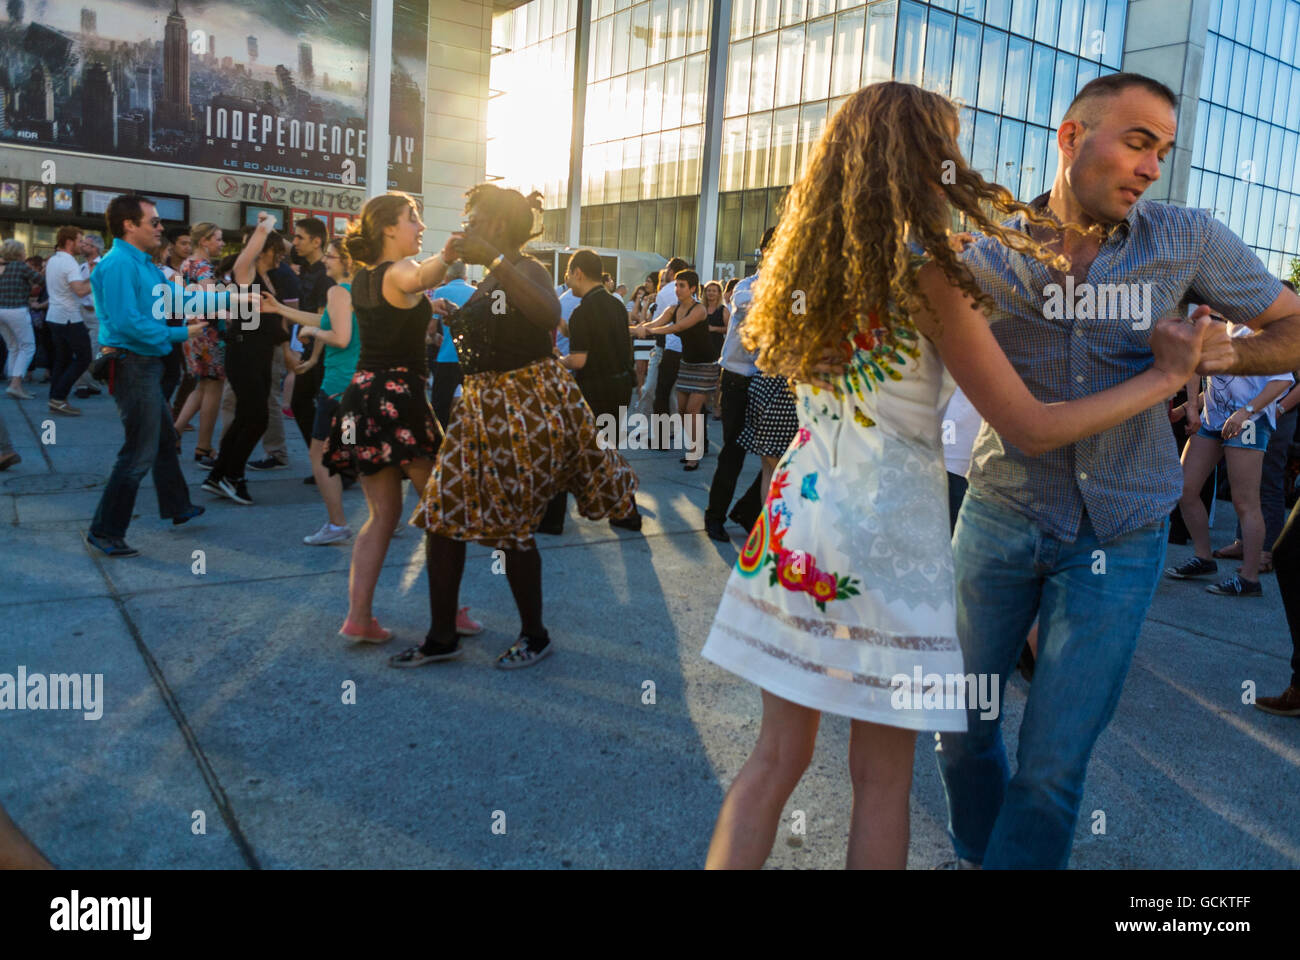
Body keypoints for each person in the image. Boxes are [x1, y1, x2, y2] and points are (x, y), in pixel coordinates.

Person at [699, 80, 1213, 871]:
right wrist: (1161, 379)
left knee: (773, 761)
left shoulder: (811, 265)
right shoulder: (936, 274)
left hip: (795, 523)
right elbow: (1029, 426)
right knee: (881, 779)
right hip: (887, 538)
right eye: (951, 145)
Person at [935, 72, 1300, 870]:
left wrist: (1220, 352)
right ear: (1071, 137)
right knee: (961, 734)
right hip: (999, 512)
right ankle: (978, 852)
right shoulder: (986, 243)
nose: (1151, 167)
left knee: (1053, 767)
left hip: (1125, 531)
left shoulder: (1187, 238)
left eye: (1162, 151)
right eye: (1138, 141)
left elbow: (1294, 323)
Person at [398, 184, 639, 670]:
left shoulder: (522, 268)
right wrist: (445, 313)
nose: (468, 222)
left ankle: (535, 634)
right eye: (468, 214)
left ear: (500, 224)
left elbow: (548, 315)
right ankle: (442, 635)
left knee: (512, 526)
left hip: (526, 405)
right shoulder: (488, 277)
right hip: (481, 409)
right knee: (442, 517)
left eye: (477, 216)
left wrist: (495, 262)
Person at [322, 192, 480, 642]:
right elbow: (421, 274)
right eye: (414, 219)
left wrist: (434, 310)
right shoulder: (402, 270)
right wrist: (447, 257)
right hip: (400, 399)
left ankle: (359, 617)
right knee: (444, 510)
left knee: (382, 514)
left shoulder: (365, 279)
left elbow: (401, 307)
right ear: (389, 228)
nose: (421, 227)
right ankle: (448, 613)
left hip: (362, 396)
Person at [86, 195, 208, 557]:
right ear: (129, 225)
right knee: (139, 451)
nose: (160, 228)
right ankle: (105, 530)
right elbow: (129, 324)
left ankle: (177, 506)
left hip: (145, 364)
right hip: (132, 364)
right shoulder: (119, 264)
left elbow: (179, 301)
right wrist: (182, 334)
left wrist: (240, 301)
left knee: (162, 438)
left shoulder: (143, 264)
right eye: (153, 222)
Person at [1165, 314, 1293, 596]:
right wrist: (1189, 406)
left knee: (1244, 502)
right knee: (1185, 489)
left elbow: (1283, 380)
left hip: (1249, 424)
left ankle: (1249, 579)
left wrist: (1246, 412)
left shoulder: (1260, 334)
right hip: (1213, 422)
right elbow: (1214, 384)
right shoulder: (1216, 331)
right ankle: (1203, 557)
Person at [262, 238, 359, 545]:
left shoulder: (338, 291)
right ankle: (389, 517)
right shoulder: (359, 292)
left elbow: (338, 336)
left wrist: (313, 333)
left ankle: (336, 523)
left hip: (337, 387)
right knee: (360, 453)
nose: (326, 261)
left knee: (319, 455)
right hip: (355, 386)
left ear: (347, 261)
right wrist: (280, 309)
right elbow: (328, 320)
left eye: (331, 256)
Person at [541, 248, 641, 534]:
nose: (566, 280)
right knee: (602, 451)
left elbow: (580, 359)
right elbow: (595, 338)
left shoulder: (585, 309)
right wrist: (561, 325)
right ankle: (556, 518)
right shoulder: (615, 305)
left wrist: (554, 360)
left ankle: (626, 512)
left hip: (596, 389)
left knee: (587, 452)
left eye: (568, 274)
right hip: (620, 386)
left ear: (578, 273)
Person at [200, 216, 296, 506]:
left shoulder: (270, 276)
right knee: (257, 417)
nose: (282, 255)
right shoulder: (246, 272)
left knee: (247, 416)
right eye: (275, 250)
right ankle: (232, 475)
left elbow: (292, 250)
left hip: (262, 355)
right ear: (263, 250)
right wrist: (265, 226)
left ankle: (219, 476)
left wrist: (275, 237)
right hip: (243, 354)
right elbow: (251, 251)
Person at [703, 236, 769, 542]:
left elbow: (801, 315)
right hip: (737, 380)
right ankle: (714, 517)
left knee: (780, 456)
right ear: (765, 251)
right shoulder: (746, 285)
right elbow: (741, 304)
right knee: (734, 453)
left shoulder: (798, 288)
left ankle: (747, 509)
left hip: (773, 381)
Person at [267, 217, 334, 475]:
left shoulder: (325, 277)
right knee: (303, 404)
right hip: (314, 349)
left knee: (339, 412)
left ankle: (341, 462)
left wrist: (315, 357)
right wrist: (269, 230)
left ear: (317, 242)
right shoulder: (307, 264)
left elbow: (324, 324)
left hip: (328, 353)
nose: (294, 243)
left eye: (300, 237)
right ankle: (325, 460)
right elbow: (288, 246)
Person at [634, 269, 716, 468]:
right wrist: (634, 329)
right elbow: (654, 322)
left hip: (705, 365)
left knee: (692, 409)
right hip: (687, 363)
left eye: (682, 286)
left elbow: (677, 328)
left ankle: (694, 454)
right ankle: (692, 448)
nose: (677, 289)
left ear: (693, 289)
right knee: (681, 410)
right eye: (676, 285)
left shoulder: (699, 310)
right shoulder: (672, 308)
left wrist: (650, 331)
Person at [173, 223, 227, 467]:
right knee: (213, 389)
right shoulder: (204, 267)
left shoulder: (186, 264)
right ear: (205, 241)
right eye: (218, 239)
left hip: (192, 333)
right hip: (209, 333)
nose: (222, 243)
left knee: (201, 386)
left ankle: (175, 432)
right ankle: (203, 448)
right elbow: (210, 301)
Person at [43, 226, 93, 416]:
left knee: (62, 359)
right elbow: (80, 290)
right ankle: (58, 397)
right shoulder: (69, 262)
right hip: (69, 317)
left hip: (54, 316)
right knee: (84, 357)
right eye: (80, 241)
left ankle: (55, 399)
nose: (82, 245)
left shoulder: (53, 260)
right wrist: (97, 278)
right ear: (70, 242)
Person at [427, 258, 476, 428]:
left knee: (440, 407)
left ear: (447, 274)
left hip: (446, 356)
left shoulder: (440, 292)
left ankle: (443, 443)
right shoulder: (475, 293)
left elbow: (432, 329)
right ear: (465, 274)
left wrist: (434, 339)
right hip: (470, 357)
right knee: (473, 405)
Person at [158, 225, 193, 405]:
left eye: (190, 243)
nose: (188, 247)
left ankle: (173, 413)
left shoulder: (190, 269)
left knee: (184, 373)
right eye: (183, 243)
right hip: (170, 327)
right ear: (171, 246)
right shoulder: (166, 271)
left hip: (182, 326)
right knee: (173, 373)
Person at [0, 240, 39, 400]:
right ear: (18, 253)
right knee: (28, 346)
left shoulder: (2, 266)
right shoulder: (20, 266)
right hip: (16, 309)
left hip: (0, 310)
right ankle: (16, 385)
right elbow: (40, 280)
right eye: (23, 250)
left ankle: (13, 383)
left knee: (13, 346)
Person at [73, 235, 105, 396]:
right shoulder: (81, 267)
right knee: (81, 349)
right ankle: (85, 384)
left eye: (86, 244)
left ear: (95, 248)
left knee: (92, 350)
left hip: (98, 314)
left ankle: (86, 383)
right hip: (81, 312)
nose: (82, 246)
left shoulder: (105, 266)